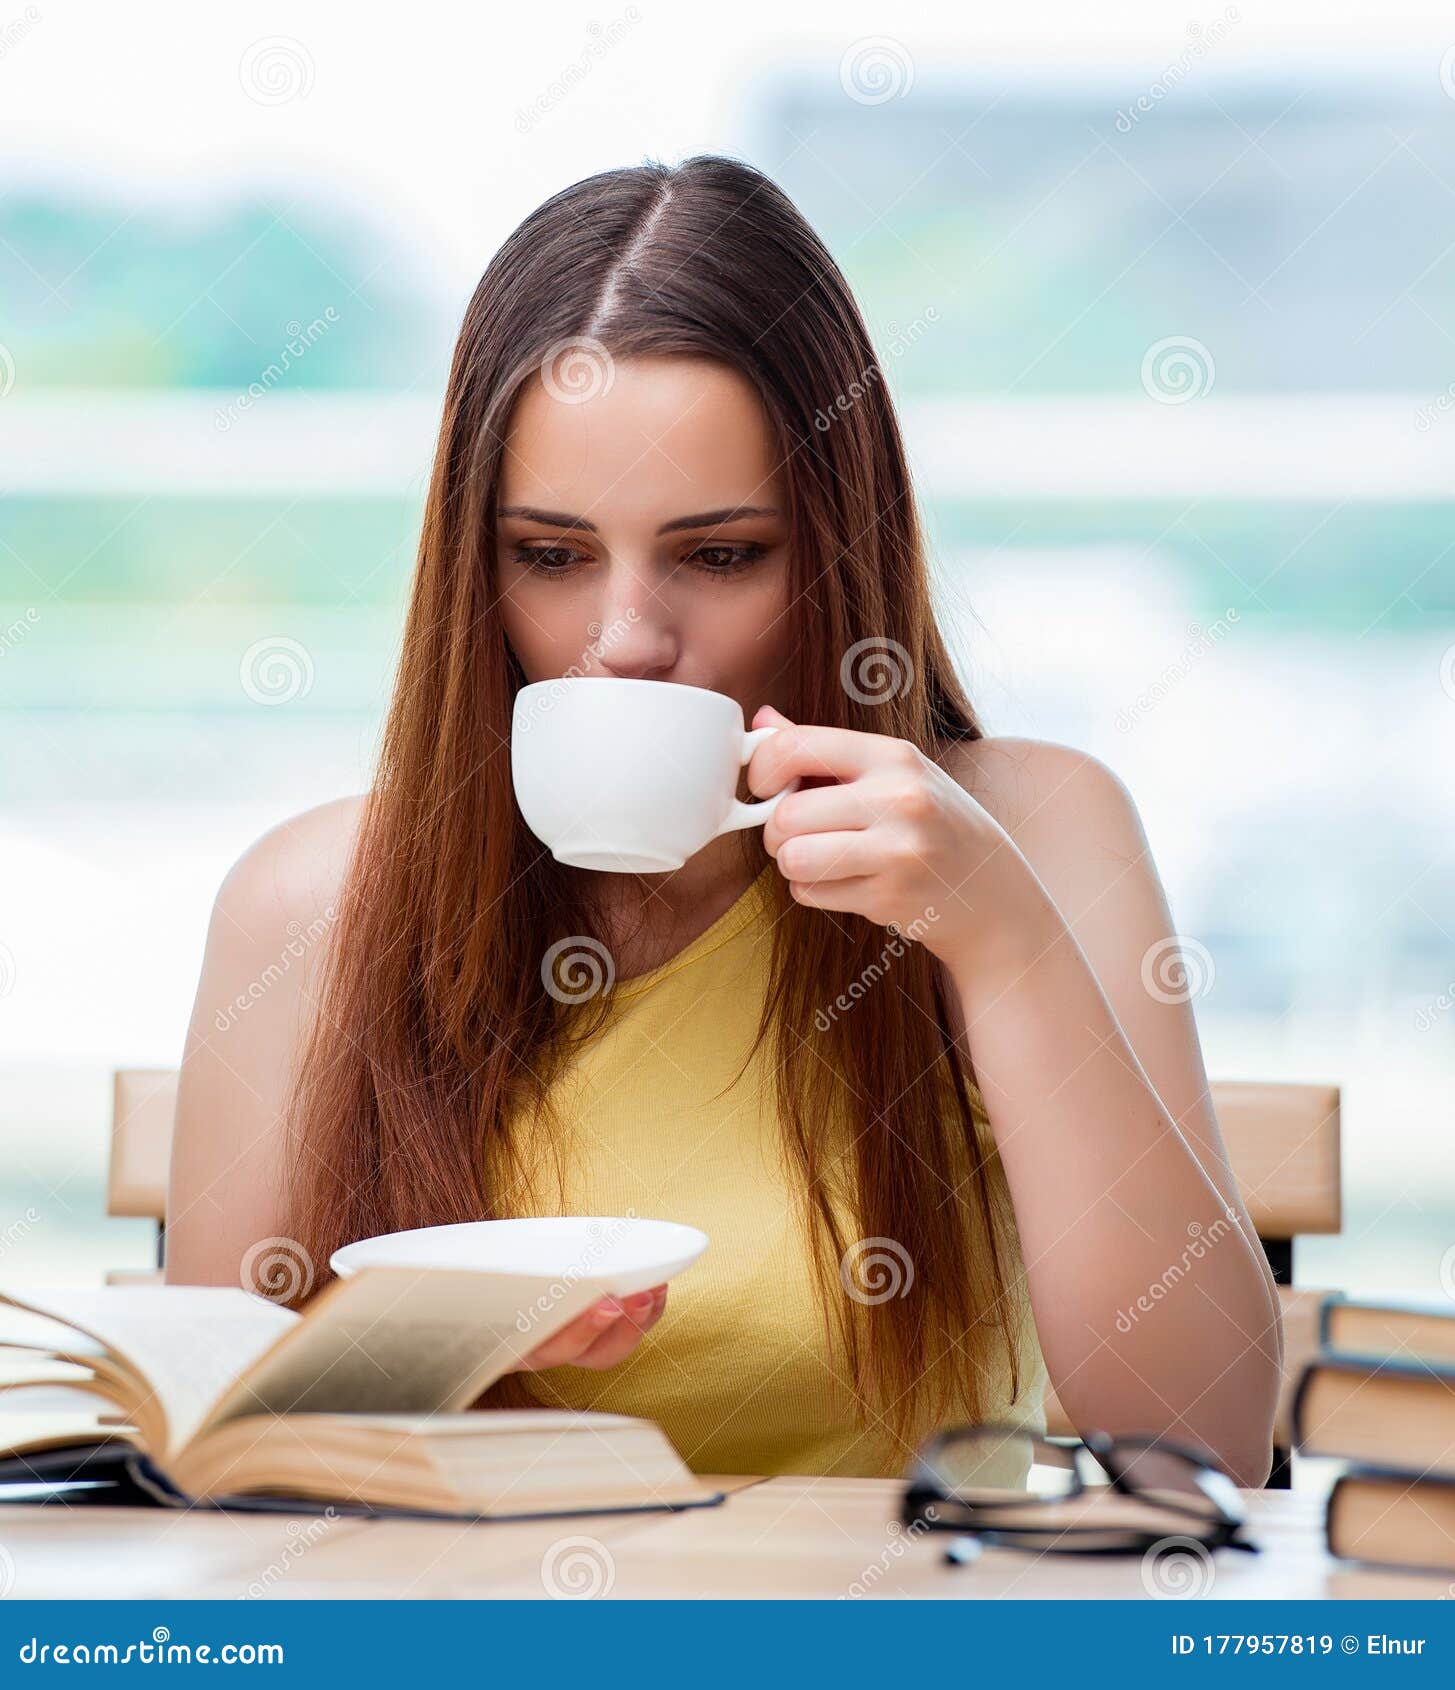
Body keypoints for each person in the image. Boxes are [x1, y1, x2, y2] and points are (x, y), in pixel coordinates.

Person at [166, 155, 1282, 1484]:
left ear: (837, 549)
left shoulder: (1030, 832)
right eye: (552, 556)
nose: (627, 640)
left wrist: (1004, 942)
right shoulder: (314, 904)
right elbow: (205, 1466)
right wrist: (438, 1358)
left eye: (718, 554)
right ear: (476, 568)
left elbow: (1199, 1440)